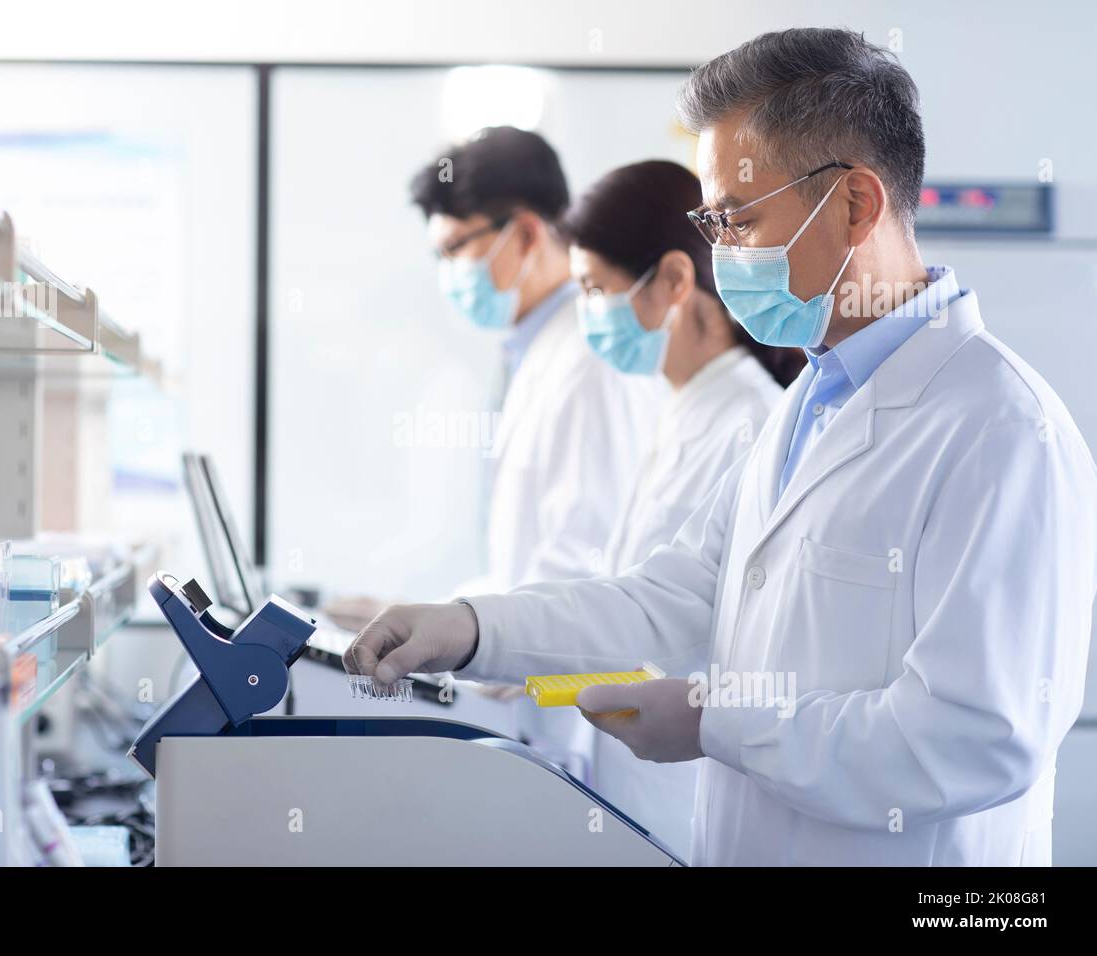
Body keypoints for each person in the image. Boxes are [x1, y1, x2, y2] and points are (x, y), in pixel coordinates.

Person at [346, 28, 1097, 866]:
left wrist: (718, 722)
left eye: (738, 219)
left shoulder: (1000, 429)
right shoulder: (808, 405)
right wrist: (470, 626)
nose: (720, 252)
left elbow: (975, 736)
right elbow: (667, 598)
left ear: (856, 204)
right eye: (712, 222)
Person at [329, 127, 661, 775]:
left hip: (577, 724)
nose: (450, 273)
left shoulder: (591, 359)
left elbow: (582, 565)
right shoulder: (537, 353)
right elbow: (530, 557)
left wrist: (469, 631)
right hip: (537, 709)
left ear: (529, 234)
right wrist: (431, 615)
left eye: (457, 247)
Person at [561, 158, 801, 850]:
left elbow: (682, 623)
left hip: (685, 797)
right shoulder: (681, 410)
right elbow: (632, 596)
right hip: (634, 789)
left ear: (673, 280)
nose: (588, 315)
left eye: (594, 290)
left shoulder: (751, 423)